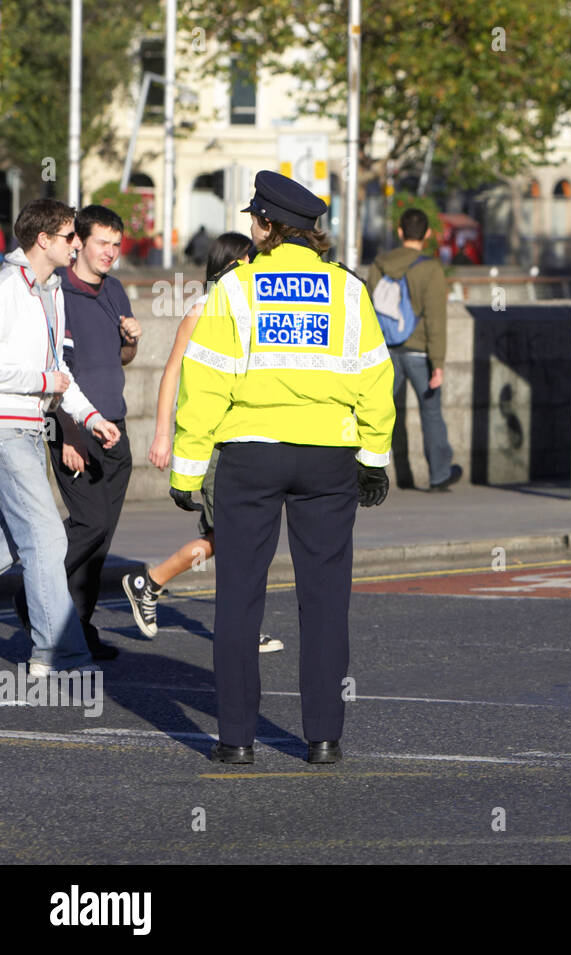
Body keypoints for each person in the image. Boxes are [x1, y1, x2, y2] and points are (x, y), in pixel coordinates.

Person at [170, 171, 395, 764]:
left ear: (268, 226)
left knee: (239, 596)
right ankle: (323, 738)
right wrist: (373, 459)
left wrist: (187, 472)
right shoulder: (348, 291)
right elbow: (376, 381)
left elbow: (205, 386)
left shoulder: (235, 290)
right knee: (325, 598)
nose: (249, 226)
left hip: (252, 455)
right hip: (329, 457)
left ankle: (237, 739)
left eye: (253, 219)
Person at [123, 232, 283, 654]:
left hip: (244, 442)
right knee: (234, 537)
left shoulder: (248, 310)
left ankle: (150, 581)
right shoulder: (202, 312)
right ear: (233, 265)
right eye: (251, 261)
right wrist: (162, 435)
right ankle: (233, 626)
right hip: (215, 446)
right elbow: (171, 373)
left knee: (231, 536)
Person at [14, 205, 141, 661]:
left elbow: (120, 359)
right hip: (74, 428)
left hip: (113, 425)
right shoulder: (56, 292)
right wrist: (67, 432)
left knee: (103, 536)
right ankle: (37, 597)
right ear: (79, 243)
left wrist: (131, 340)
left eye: (116, 244)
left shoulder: (115, 292)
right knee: (88, 524)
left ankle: (77, 623)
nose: (111, 252)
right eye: (101, 243)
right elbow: (56, 369)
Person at [366, 208, 460, 491]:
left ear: (399, 231)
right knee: (431, 413)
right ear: (428, 234)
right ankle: (439, 476)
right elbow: (435, 318)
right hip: (420, 352)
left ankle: (370, 474)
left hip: (386, 351)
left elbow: (371, 309)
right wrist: (438, 363)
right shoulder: (430, 268)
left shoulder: (380, 264)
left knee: (379, 414)